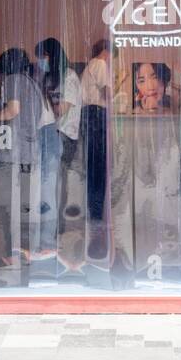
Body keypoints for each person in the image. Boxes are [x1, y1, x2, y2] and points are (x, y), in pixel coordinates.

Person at [0, 48, 46, 267]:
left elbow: (12, 110)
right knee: (23, 208)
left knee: (4, 207)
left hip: (12, 155)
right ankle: (22, 254)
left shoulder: (13, 80)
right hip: (29, 154)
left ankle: (7, 255)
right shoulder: (32, 84)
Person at [30, 37, 78, 262]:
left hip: (64, 134)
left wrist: (44, 102)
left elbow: (62, 110)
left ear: (53, 55)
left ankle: (54, 235)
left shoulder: (68, 76)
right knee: (52, 185)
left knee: (54, 186)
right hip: (51, 133)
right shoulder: (47, 77)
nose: (40, 61)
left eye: (44, 56)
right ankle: (52, 234)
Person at [79, 39, 112, 260]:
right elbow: (108, 93)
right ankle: (97, 214)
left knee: (93, 165)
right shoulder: (100, 64)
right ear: (107, 51)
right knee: (99, 166)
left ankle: (94, 212)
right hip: (96, 115)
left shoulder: (89, 66)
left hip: (88, 116)